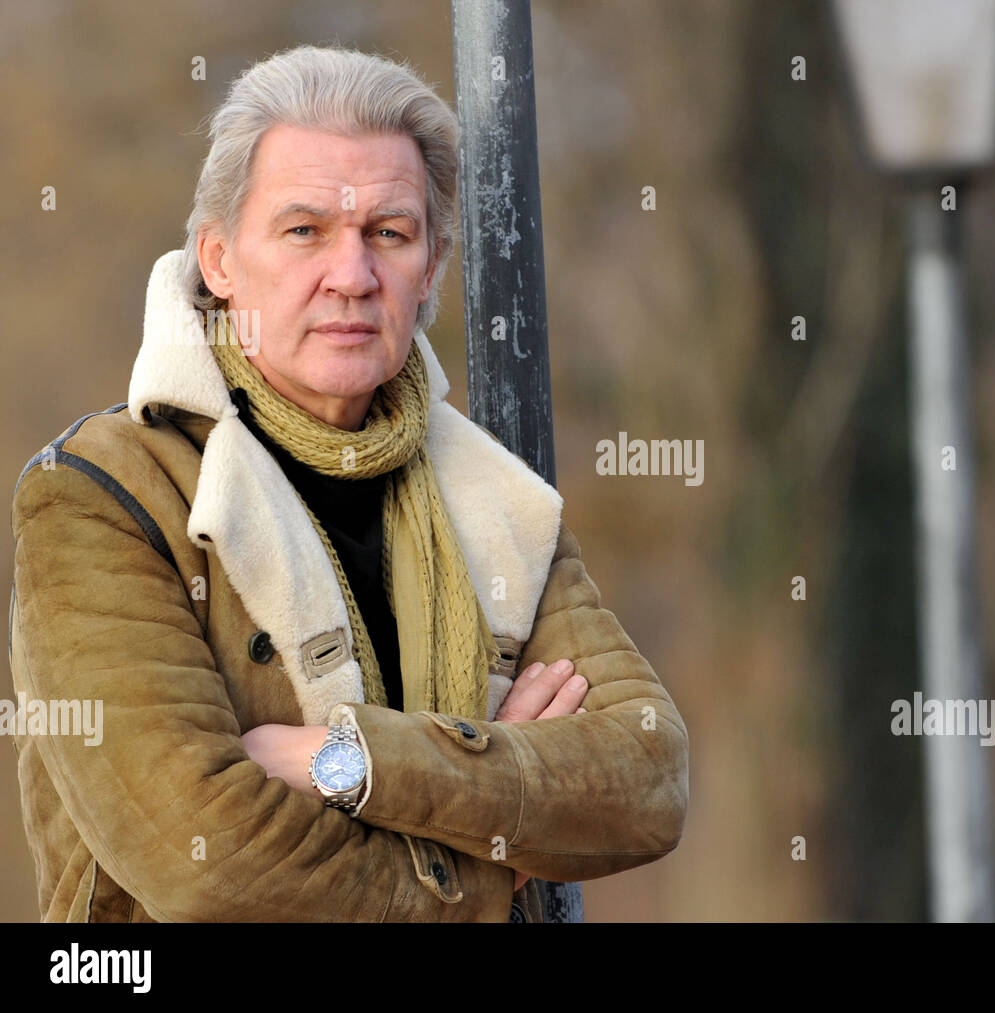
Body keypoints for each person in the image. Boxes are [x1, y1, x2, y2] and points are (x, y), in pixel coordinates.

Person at [8, 44, 688, 923]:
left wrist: (350, 760)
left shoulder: (496, 504)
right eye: (305, 230)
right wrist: (484, 858)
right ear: (218, 260)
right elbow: (205, 862)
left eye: (389, 234)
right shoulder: (102, 494)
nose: (352, 276)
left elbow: (648, 776)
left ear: (433, 266)